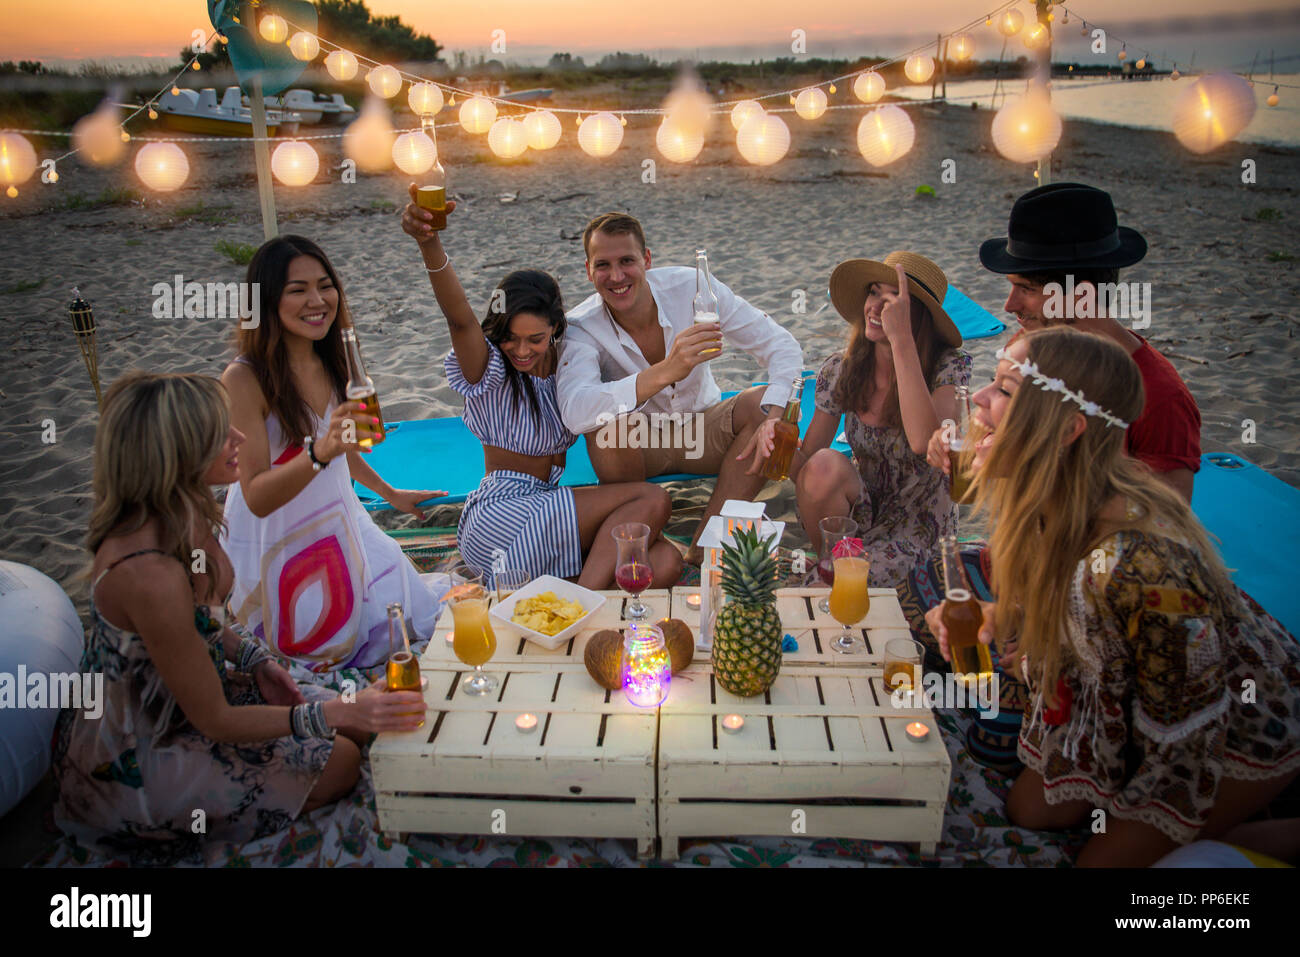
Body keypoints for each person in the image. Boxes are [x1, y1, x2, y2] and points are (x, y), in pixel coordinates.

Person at [924, 328, 1299, 867]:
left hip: (1234, 731)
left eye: (1005, 391)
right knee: (1030, 812)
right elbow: (1064, 609)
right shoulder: (1048, 506)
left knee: (1124, 858)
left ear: (1068, 430)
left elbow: (1184, 756)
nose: (979, 400)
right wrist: (994, 615)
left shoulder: (1145, 565)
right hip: (1128, 693)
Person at [53, 372, 425, 864]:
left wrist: (257, 661)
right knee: (342, 761)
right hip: (147, 738)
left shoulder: (186, 509)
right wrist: (338, 711)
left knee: (368, 729)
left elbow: (205, 623)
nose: (241, 438)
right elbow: (216, 720)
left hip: (205, 689)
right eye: (219, 434)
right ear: (177, 451)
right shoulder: (148, 575)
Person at [401, 188, 681, 588]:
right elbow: (460, 319)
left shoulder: (568, 368)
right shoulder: (492, 369)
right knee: (652, 499)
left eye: (535, 339)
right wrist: (430, 245)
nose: (521, 350)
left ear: (555, 330)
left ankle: (565, 592)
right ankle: (585, 600)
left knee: (663, 561)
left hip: (545, 515)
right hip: (503, 516)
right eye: (511, 338)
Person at [221, 235, 450, 678]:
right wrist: (320, 452)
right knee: (319, 648)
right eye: (297, 289)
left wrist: (389, 492)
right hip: (277, 537)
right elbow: (256, 496)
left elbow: (344, 447)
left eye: (325, 285)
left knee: (412, 613)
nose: (317, 300)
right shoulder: (244, 378)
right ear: (266, 301)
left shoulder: (332, 358)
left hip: (337, 515)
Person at [555, 212, 803, 563]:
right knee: (608, 424)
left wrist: (774, 417)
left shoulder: (692, 289)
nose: (616, 276)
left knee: (763, 403)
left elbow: (782, 345)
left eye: (627, 261)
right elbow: (574, 411)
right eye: (603, 265)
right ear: (588, 270)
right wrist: (666, 370)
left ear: (647, 260)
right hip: (637, 445)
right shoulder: (581, 326)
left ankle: (704, 548)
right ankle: (637, 544)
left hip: (703, 431)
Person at [750, 252, 970, 588]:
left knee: (839, 585)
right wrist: (775, 439)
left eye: (893, 299)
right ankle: (835, 558)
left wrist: (902, 342)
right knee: (824, 464)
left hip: (919, 526)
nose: (876, 306)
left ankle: (836, 573)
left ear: (919, 315)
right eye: (873, 293)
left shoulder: (947, 368)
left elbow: (926, 441)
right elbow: (808, 468)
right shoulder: (843, 368)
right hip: (862, 512)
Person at [976, 182, 1200, 502]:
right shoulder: (1030, 346)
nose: (1009, 306)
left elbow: (1163, 527)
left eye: (1026, 289)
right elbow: (998, 436)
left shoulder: (1160, 396)